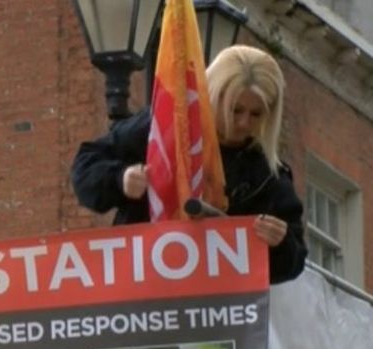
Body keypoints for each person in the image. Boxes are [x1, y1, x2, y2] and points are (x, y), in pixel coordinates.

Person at [70, 45, 307, 285]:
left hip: (214, 299)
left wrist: (280, 242)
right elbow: (85, 166)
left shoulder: (268, 174)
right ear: (212, 95)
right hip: (140, 285)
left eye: (256, 114)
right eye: (235, 110)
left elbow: (294, 260)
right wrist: (120, 178)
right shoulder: (163, 126)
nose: (243, 123)